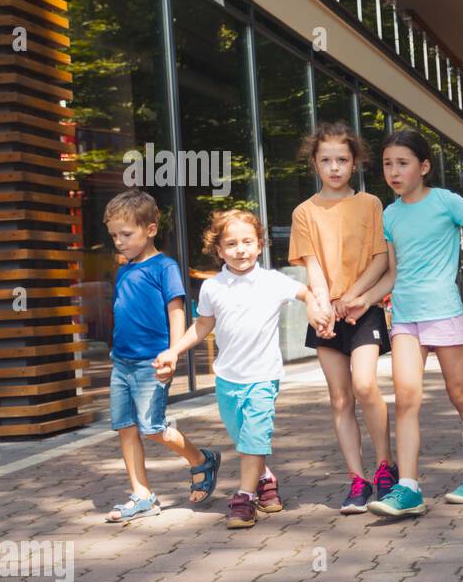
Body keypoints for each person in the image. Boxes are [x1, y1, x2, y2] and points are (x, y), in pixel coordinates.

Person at [346, 128, 463, 518]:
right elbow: (391, 274)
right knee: (406, 399)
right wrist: (362, 301)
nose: (394, 171)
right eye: (388, 164)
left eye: (402, 163)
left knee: (460, 395)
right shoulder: (388, 215)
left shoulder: (445, 201)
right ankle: (407, 487)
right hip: (405, 316)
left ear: (423, 167)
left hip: (444, 313)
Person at [154, 210, 322, 529]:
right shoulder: (212, 288)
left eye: (248, 242)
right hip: (227, 379)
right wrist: (173, 350)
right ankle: (265, 477)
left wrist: (315, 308)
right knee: (242, 437)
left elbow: (304, 292)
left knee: (254, 437)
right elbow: (202, 325)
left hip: (263, 376)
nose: (240, 249)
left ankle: (246, 497)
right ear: (219, 250)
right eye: (231, 244)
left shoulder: (272, 281)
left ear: (260, 245)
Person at [289, 121, 397, 515]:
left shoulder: (371, 204)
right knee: (339, 398)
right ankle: (357, 478)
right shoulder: (305, 212)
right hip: (326, 314)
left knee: (366, 386)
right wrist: (322, 304)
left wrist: (353, 297)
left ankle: (386, 466)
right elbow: (312, 264)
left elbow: (380, 258)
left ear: (355, 163)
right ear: (315, 163)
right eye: (326, 160)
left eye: (342, 160)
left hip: (364, 309)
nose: (334, 167)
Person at [102, 189, 218, 522]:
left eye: (126, 234)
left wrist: (172, 352)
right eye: (114, 236)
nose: (119, 242)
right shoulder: (124, 267)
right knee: (125, 427)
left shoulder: (164, 266)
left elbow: (176, 311)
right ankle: (142, 495)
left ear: (150, 229)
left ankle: (200, 459)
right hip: (120, 361)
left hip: (151, 362)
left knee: (152, 428)